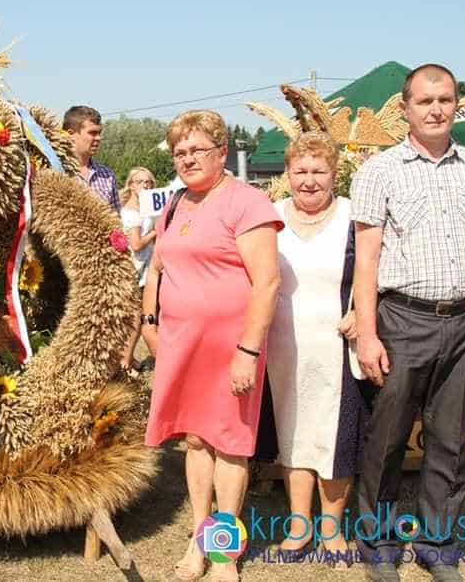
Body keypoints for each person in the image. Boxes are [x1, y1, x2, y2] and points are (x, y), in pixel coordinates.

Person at [350, 64, 465, 582]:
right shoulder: (379, 171)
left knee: (450, 440)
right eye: (425, 101)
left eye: (445, 100)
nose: (436, 109)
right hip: (403, 323)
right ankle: (378, 544)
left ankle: (438, 544)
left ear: (456, 103)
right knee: (387, 440)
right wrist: (369, 333)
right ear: (405, 109)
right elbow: (367, 261)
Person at [142, 109, 281, 581]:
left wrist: (247, 350)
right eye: (180, 152)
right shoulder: (175, 204)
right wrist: (147, 321)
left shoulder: (248, 202)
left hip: (231, 350)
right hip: (181, 346)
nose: (187, 159)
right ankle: (197, 543)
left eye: (198, 150)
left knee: (230, 447)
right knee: (196, 442)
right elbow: (157, 269)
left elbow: (267, 283)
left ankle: (223, 554)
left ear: (222, 152)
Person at [265, 131, 366, 569]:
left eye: (318, 171)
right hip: (282, 348)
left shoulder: (353, 216)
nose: (309, 180)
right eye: (300, 170)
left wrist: (363, 308)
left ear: (334, 174)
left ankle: (332, 530)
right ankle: (298, 526)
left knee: (336, 436)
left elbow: (376, 268)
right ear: (287, 173)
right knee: (294, 435)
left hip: (339, 346)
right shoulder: (268, 217)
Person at [118, 167, 157, 373]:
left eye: (149, 182)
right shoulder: (131, 212)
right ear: (131, 185)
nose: (146, 185)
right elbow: (136, 244)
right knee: (136, 315)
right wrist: (155, 233)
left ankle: (129, 358)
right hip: (136, 268)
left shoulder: (146, 208)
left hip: (146, 266)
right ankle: (126, 360)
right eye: (141, 182)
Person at [64, 105, 120, 212]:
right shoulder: (55, 171)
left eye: (99, 133)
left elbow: (116, 220)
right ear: (71, 134)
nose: (99, 138)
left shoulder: (107, 175)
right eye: (92, 133)